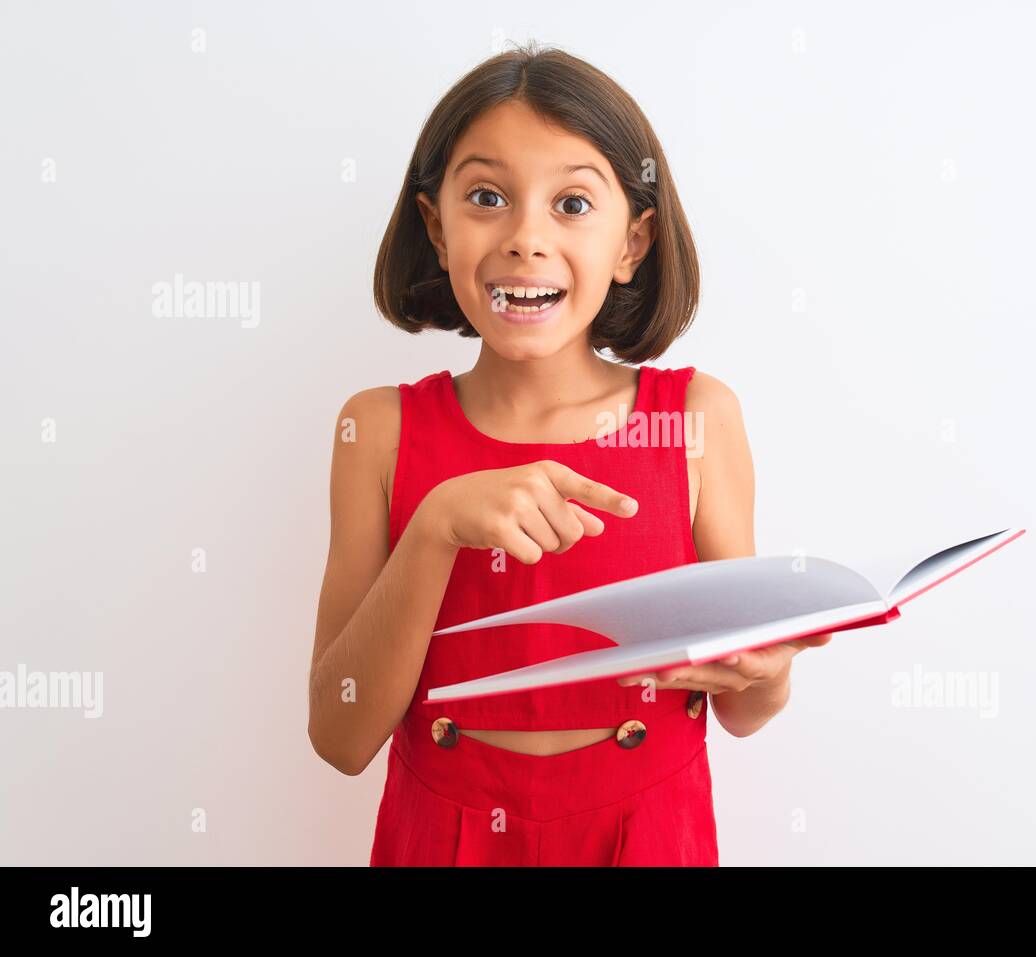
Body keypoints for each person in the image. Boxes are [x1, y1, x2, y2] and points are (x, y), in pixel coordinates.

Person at [307, 42, 833, 866]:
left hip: (649, 838)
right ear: (436, 227)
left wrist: (766, 672)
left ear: (634, 242)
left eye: (573, 204)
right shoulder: (377, 430)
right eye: (487, 197)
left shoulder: (697, 419)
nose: (527, 238)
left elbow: (743, 705)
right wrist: (437, 525)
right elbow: (340, 734)